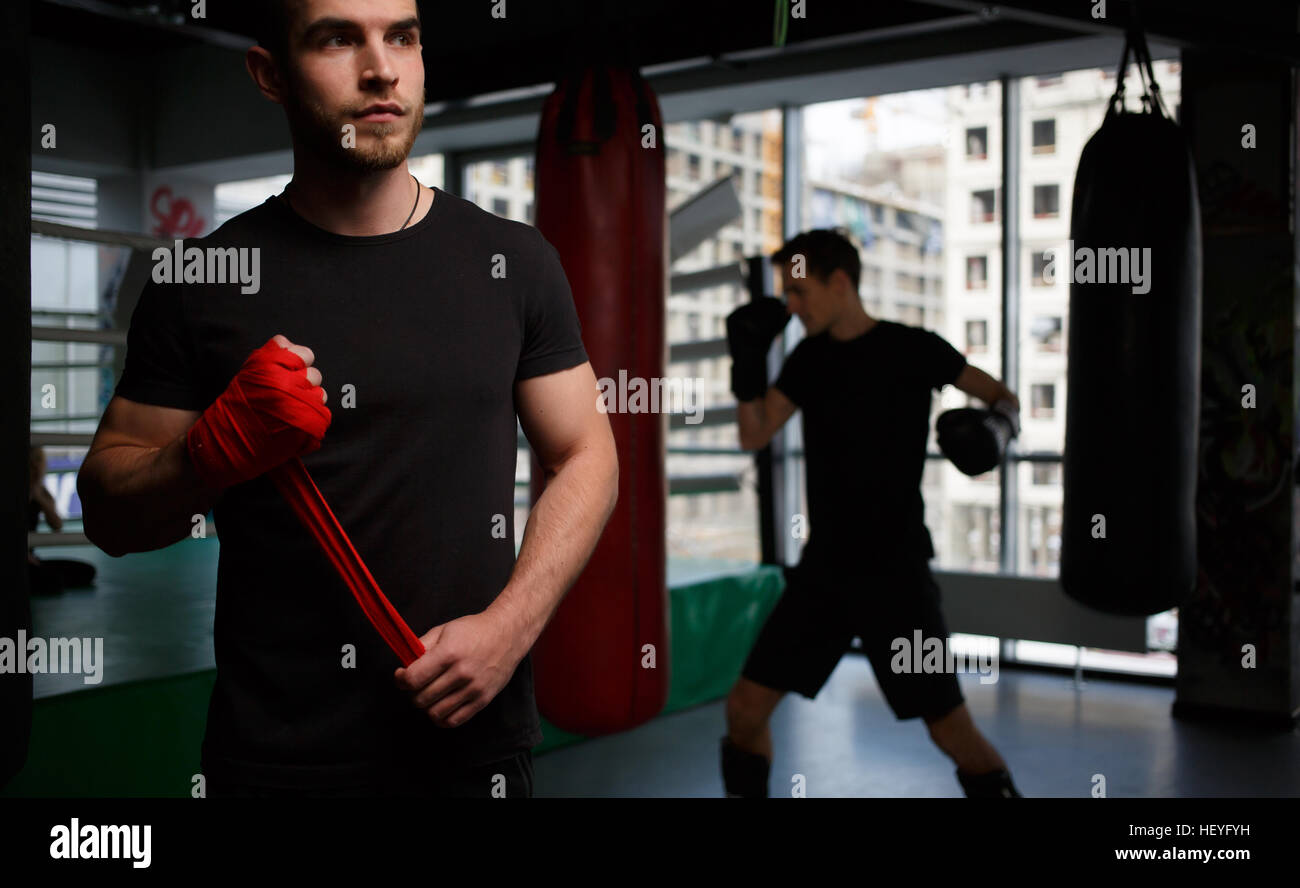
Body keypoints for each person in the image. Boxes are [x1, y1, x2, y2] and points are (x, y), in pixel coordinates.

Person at [76, 0, 618, 798]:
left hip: (471, 747)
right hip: (276, 760)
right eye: (338, 38)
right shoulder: (203, 282)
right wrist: (205, 459)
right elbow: (106, 512)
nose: (381, 69)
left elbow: (587, 454)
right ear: (270, 73)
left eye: (402, 36)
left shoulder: (513, 262)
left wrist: (510, 629)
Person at [721, 228, 1022, 798]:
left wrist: (995, 430)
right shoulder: (809, 359)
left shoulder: (915, 348)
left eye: (800, 291)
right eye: (786, 291)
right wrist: (747, 364)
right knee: (744, 709)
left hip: (896, 575)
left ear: (840, 282)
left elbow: (1003, 396)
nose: (791, 305)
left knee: (951, 730)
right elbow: (753, 432)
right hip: (824, 574)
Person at [28, 445, 97, 596]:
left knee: (86, 572)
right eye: (33, 462)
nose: (35, 466)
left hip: (33, 560)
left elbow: (56, 525)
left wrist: (37, 495)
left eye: (38, 461)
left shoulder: (42, 491)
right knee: (53, 582)